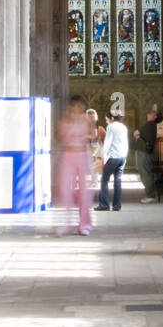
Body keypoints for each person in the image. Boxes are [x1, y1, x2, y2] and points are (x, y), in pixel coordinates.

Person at [55, 95, 95, 235]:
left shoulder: (87, 120)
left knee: (85, 192)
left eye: (80, 106)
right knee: (65, 191)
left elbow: (93, 135)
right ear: (70, 107)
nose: (77, 108)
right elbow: (61, 137)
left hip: (83, 156)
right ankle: (65, 223)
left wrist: (85, 135)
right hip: (68, 156)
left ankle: (84, 225)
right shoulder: (65, 120)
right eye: (74, 105)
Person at [96, 110, 128, 211]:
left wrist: (103, 156)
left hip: (112, 157)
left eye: (107, 119)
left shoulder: (111, 126)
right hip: (122, 157)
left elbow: (108, 142)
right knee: (117, 181)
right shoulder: (123, 127)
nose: (106, 122)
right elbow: (125, 142)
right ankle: (117, 206)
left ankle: (104, 205)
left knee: (104, 180)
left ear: (112, 118)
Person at [133, 106, 160, 203]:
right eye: (149, 114)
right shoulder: (150, 125)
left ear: (155, 116)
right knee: (145, 173)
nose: (149, 115)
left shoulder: (151, 125)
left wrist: (138, 134)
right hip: (144, 152)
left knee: (145, 174)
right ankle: (150, 194)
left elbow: (136, 133)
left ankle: (150, 196)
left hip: (145, 153)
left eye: (151, 114)